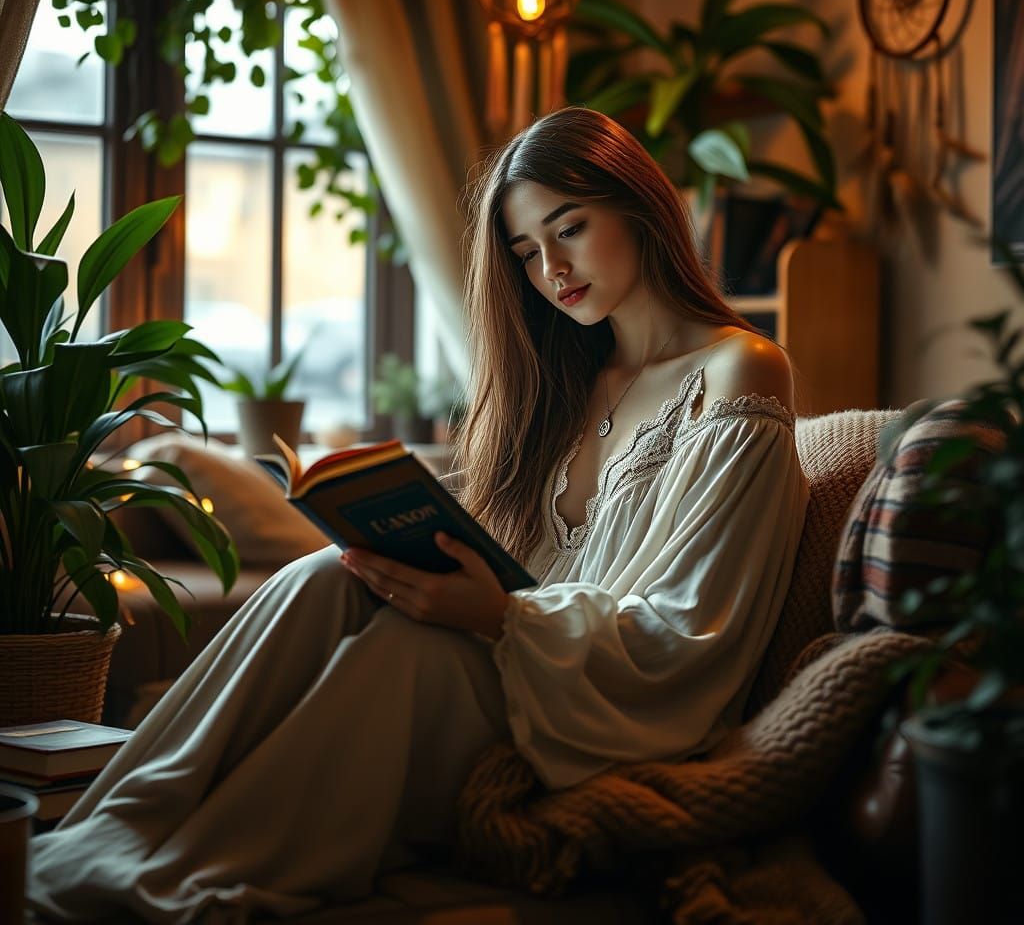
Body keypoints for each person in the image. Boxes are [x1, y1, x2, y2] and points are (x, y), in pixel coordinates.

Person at [28, 107, 809, 922]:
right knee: (324, 577)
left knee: (405, 648)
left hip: (605, 712)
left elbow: (691, 630)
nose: (551, 268)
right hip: (519, 657)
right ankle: (101, 835)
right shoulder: (570, 378)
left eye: (569, 228)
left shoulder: (742, 370)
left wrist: (501, 615)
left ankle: (169, 882)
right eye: (525, 251)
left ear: (640, 207)